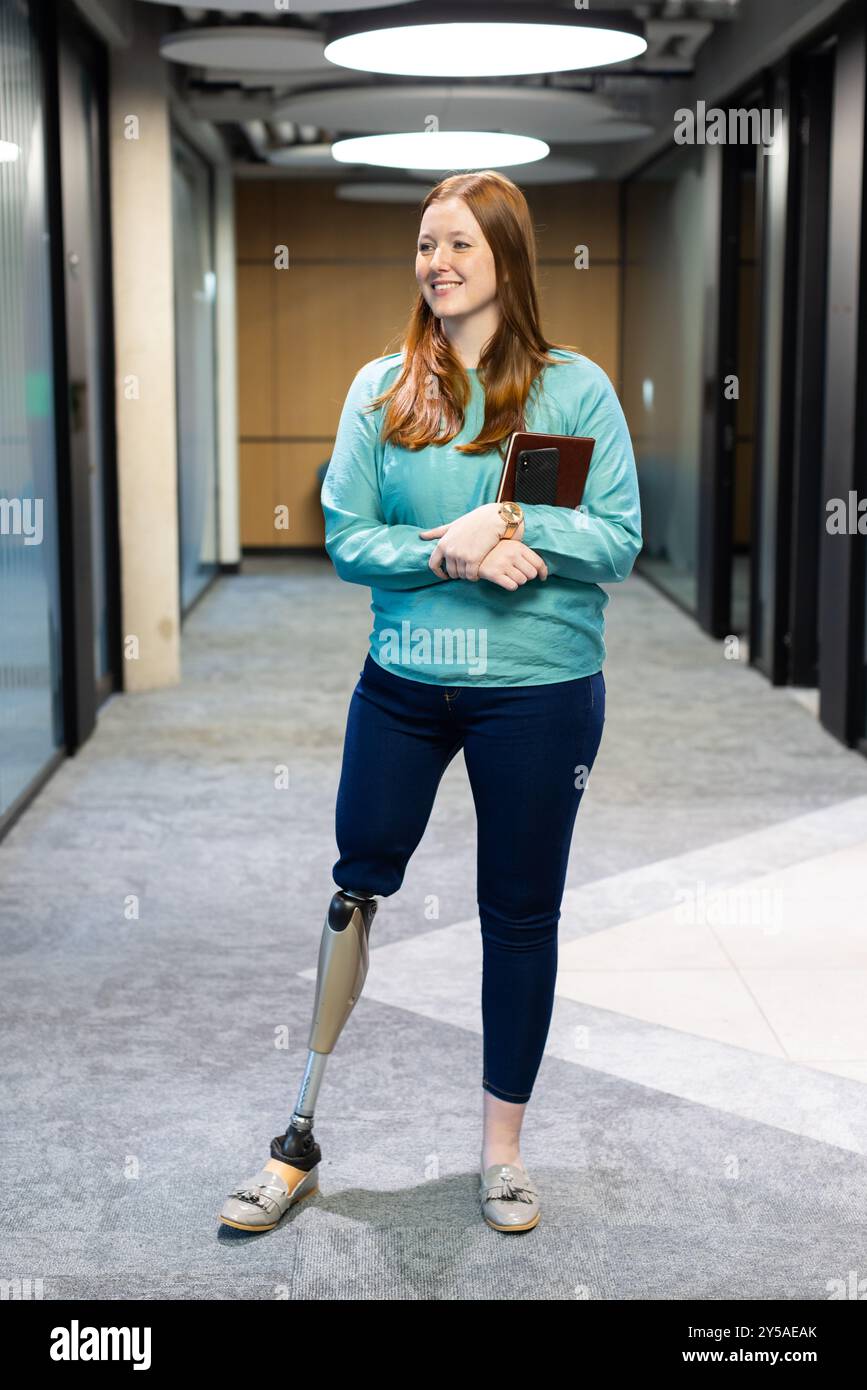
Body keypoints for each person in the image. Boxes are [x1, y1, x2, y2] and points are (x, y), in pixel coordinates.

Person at [222, 169, 642, 1235]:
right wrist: (445, 553)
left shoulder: (574, 390)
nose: (436, 264)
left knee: (519, 910)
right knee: (355, 877)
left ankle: (501, 1153)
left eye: (457, 244)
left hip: (541, 693)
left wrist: (510, 526)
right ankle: (297, 1136)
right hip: (406, 683)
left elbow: (618, 540)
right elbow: (346, 538)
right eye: (423, 246)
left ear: (507, 257)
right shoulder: (384, 389)